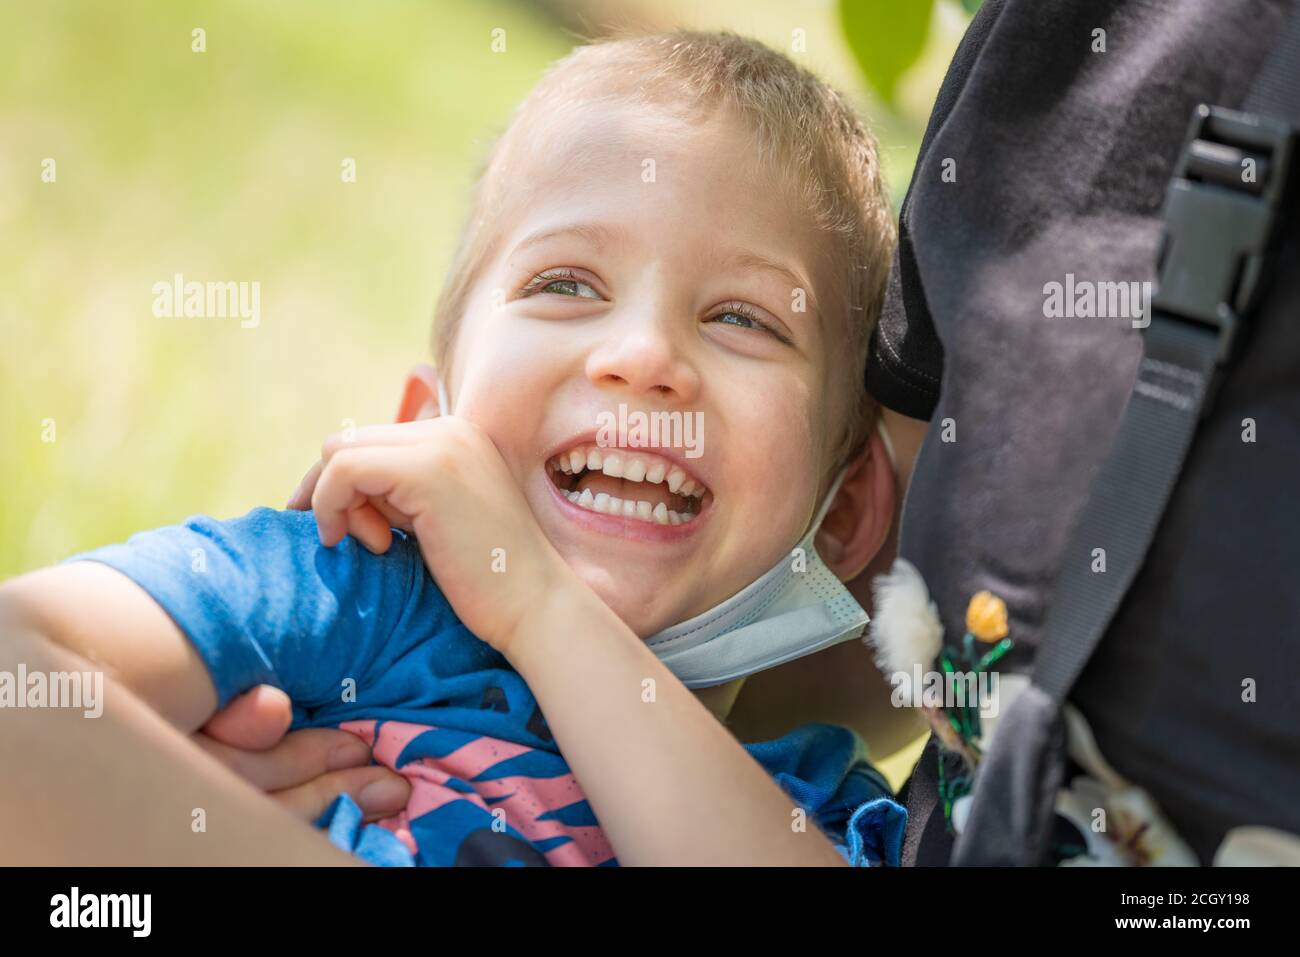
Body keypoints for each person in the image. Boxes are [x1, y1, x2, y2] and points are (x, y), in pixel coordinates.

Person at [0, 31, 909, 866]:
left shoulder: (815, 809)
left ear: (851, 506)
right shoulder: (349, 590)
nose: (642, 357)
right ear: (420, 436)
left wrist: (543, 607)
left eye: (742, 317)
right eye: (566, 283)